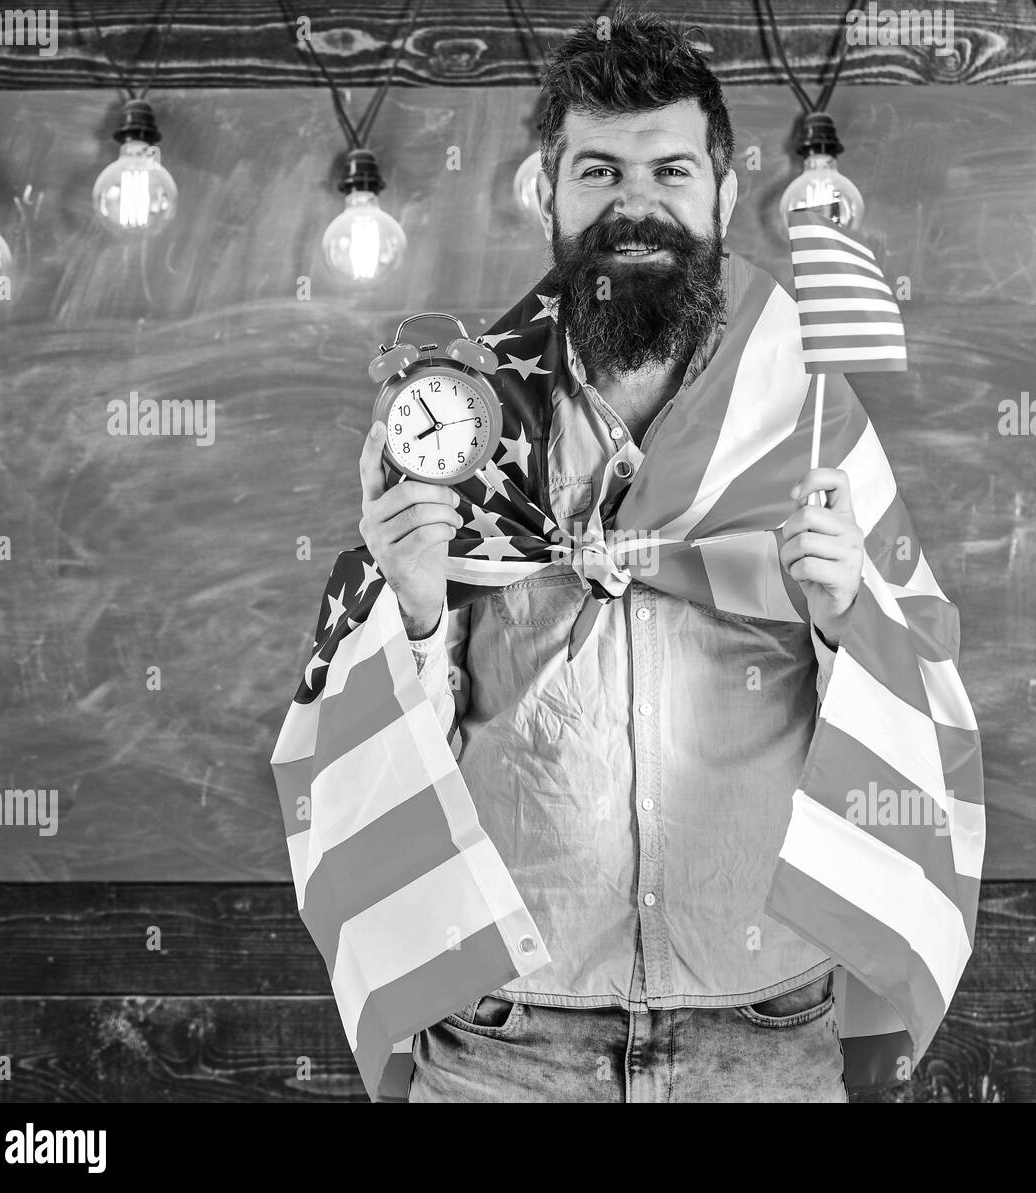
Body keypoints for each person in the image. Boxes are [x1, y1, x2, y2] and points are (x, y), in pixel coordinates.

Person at [356, 7, 865, 1103]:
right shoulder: (460, 418)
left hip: (760, 1022)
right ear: (549, 192)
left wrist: (842, 618)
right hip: (506, 1029)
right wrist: (407, 607)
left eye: (671, 169)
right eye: (599, 170)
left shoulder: (807, 412)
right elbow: (367, 735)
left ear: (724, 196)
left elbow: (913, 686)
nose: (636, 204)